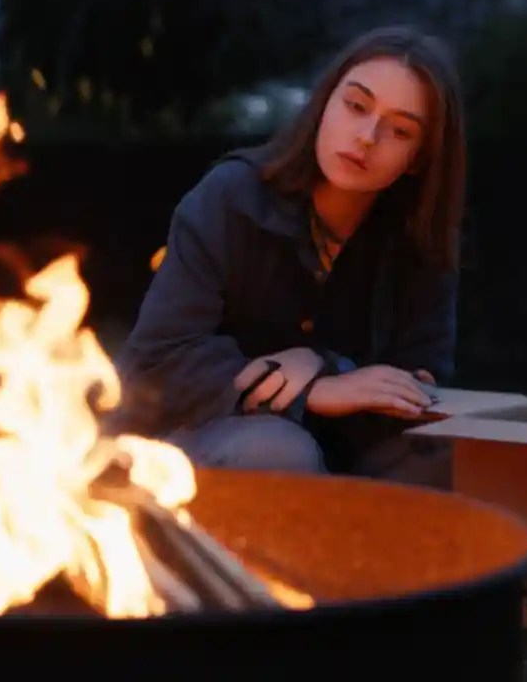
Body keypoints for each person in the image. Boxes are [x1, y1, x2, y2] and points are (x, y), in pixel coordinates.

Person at [103, 25, 465, 488]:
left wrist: (325, 365)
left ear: (418, 157)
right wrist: (311, 390)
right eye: (356, 106)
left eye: (399, 130)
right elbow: (160, 360)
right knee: (277, 449)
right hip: (200, 439)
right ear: (325, 103)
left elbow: (418, 383)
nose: (367, 137)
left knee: (457, 454)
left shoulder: (418, 239)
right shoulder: (232, 198)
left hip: (347, 450)